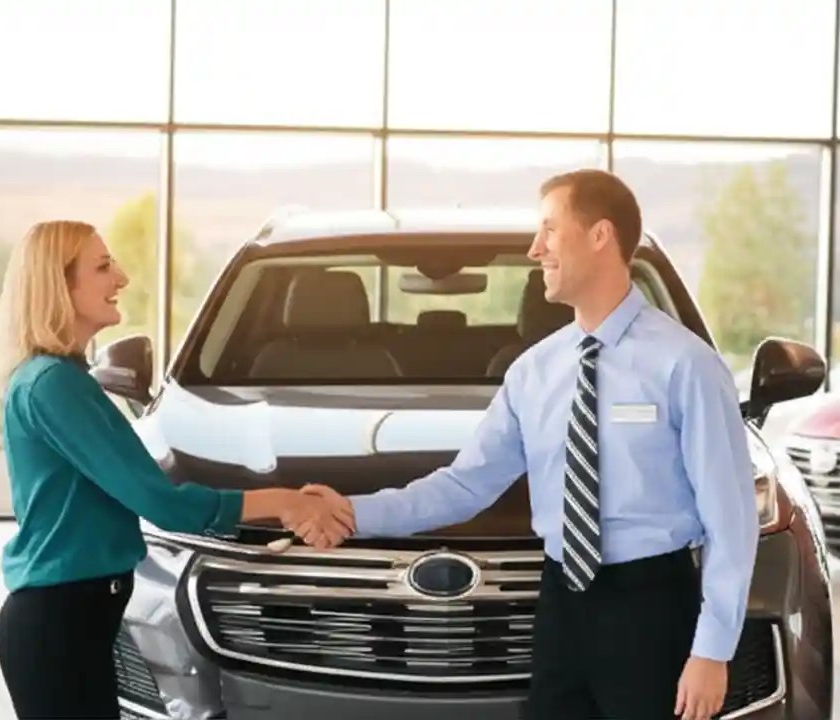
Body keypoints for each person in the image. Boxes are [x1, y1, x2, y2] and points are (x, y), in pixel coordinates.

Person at [301, 170, 757, 720]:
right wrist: (352, 513)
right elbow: (465, 485)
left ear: (600, 236)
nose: (534, 248)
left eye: (549, 229)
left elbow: (731, 520)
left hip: (653, 608)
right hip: (562, 604)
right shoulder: (535, 372)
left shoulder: (686, 366)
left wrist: (712, 649)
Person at [0, 220, 354, 720]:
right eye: (103, 266)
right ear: (58, 283)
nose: (122, 277)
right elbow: (163, 503)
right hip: (58, 625)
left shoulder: (64, 378)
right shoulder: (53, 385)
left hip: (75, 619)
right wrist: (285, 501)